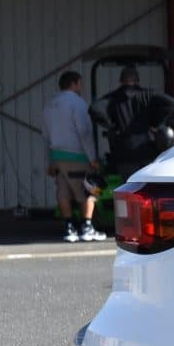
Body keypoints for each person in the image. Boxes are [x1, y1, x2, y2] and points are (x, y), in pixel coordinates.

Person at [42, 70, 104, 244]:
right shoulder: (78, 103)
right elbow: (84, 132)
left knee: (63, 192)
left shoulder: (50, 105)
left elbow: (45, 135)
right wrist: (92, 158)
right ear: (75, 83)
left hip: (57, 157)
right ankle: (87, 226)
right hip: (78, 156)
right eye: (80, 84)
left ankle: (69, 228)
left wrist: (49, 161)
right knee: (91, 190)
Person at [93, 66, 174, 182]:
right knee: (148, 186)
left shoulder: (113, 97)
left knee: (129, 188)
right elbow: (171, 103)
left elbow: (94, 109)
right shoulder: (147, 94)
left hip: (124, 153)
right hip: (147, 150)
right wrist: (156, 123)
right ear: (137, 80)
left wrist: (110, 125)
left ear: (121, 81)